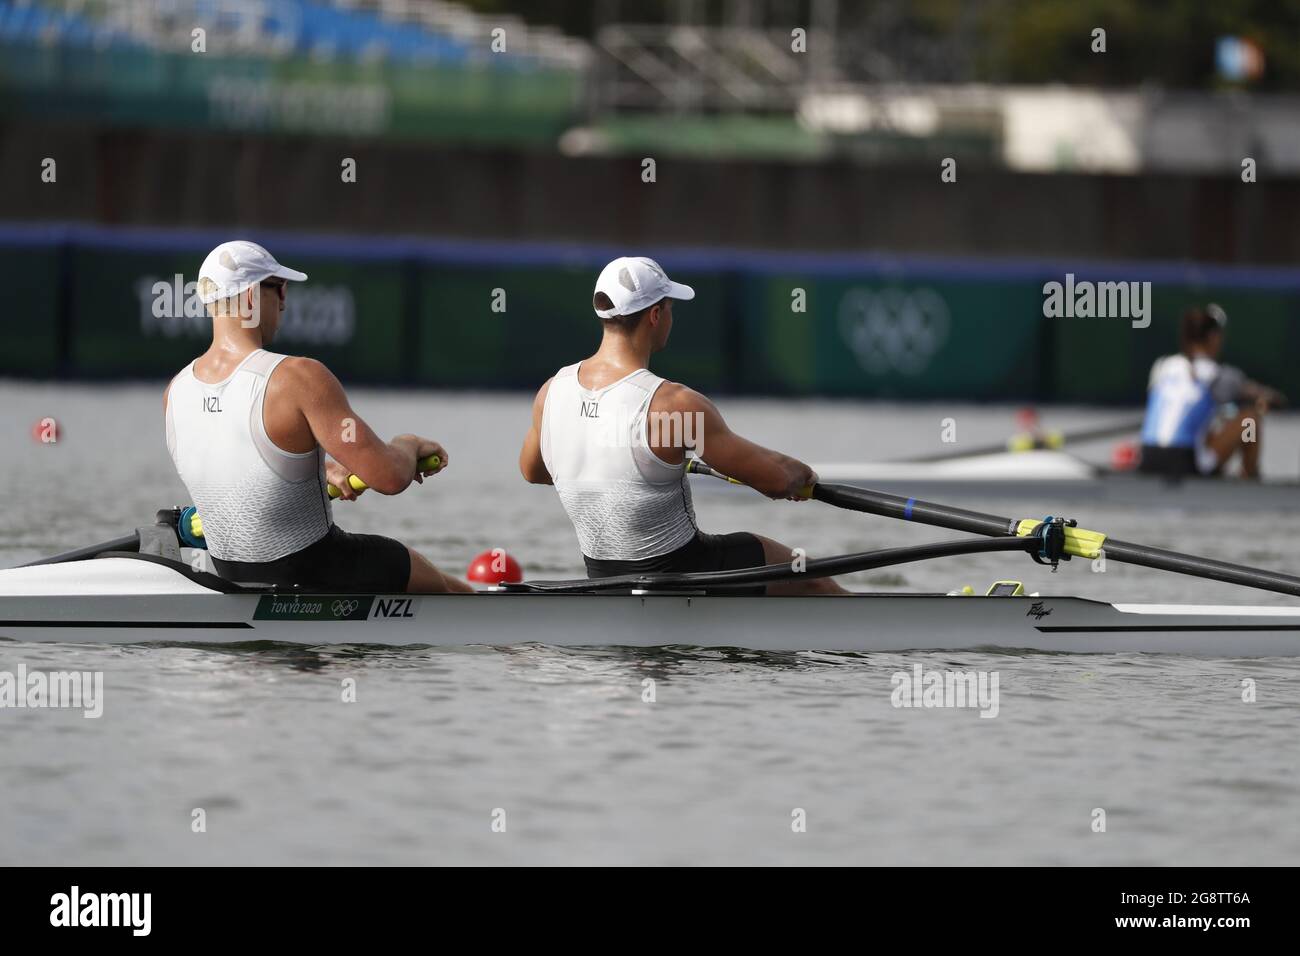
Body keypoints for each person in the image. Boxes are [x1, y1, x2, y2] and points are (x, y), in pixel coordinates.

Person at [518, 255, 846, 594]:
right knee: (810, 579)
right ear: (655, 315)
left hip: (603, 579)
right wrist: (801, 474)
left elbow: (535, 472)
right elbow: (777, 481)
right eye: (670, 308)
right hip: (683, 572)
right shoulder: (673, 404)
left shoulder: (551, 393)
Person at [164, 240, 471, 592]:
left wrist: (313, 468)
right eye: (279, 289)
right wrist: (408, 443)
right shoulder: (299, 377)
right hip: (313, 566)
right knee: (446, 588)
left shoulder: (175, 391)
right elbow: (389, 476)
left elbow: (239, 465)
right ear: (251, 297)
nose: (284, 301)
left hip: (229, 574)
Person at [1138, 304, 1286, 479]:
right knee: (1250, 420)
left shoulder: (1162, 366)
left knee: (1203, 429)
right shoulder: (1220, 376)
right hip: (1184, 461)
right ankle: (1250, 477)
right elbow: (1268, 398)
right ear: (1213, 337)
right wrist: (1272, 400)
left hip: (1148, 457)